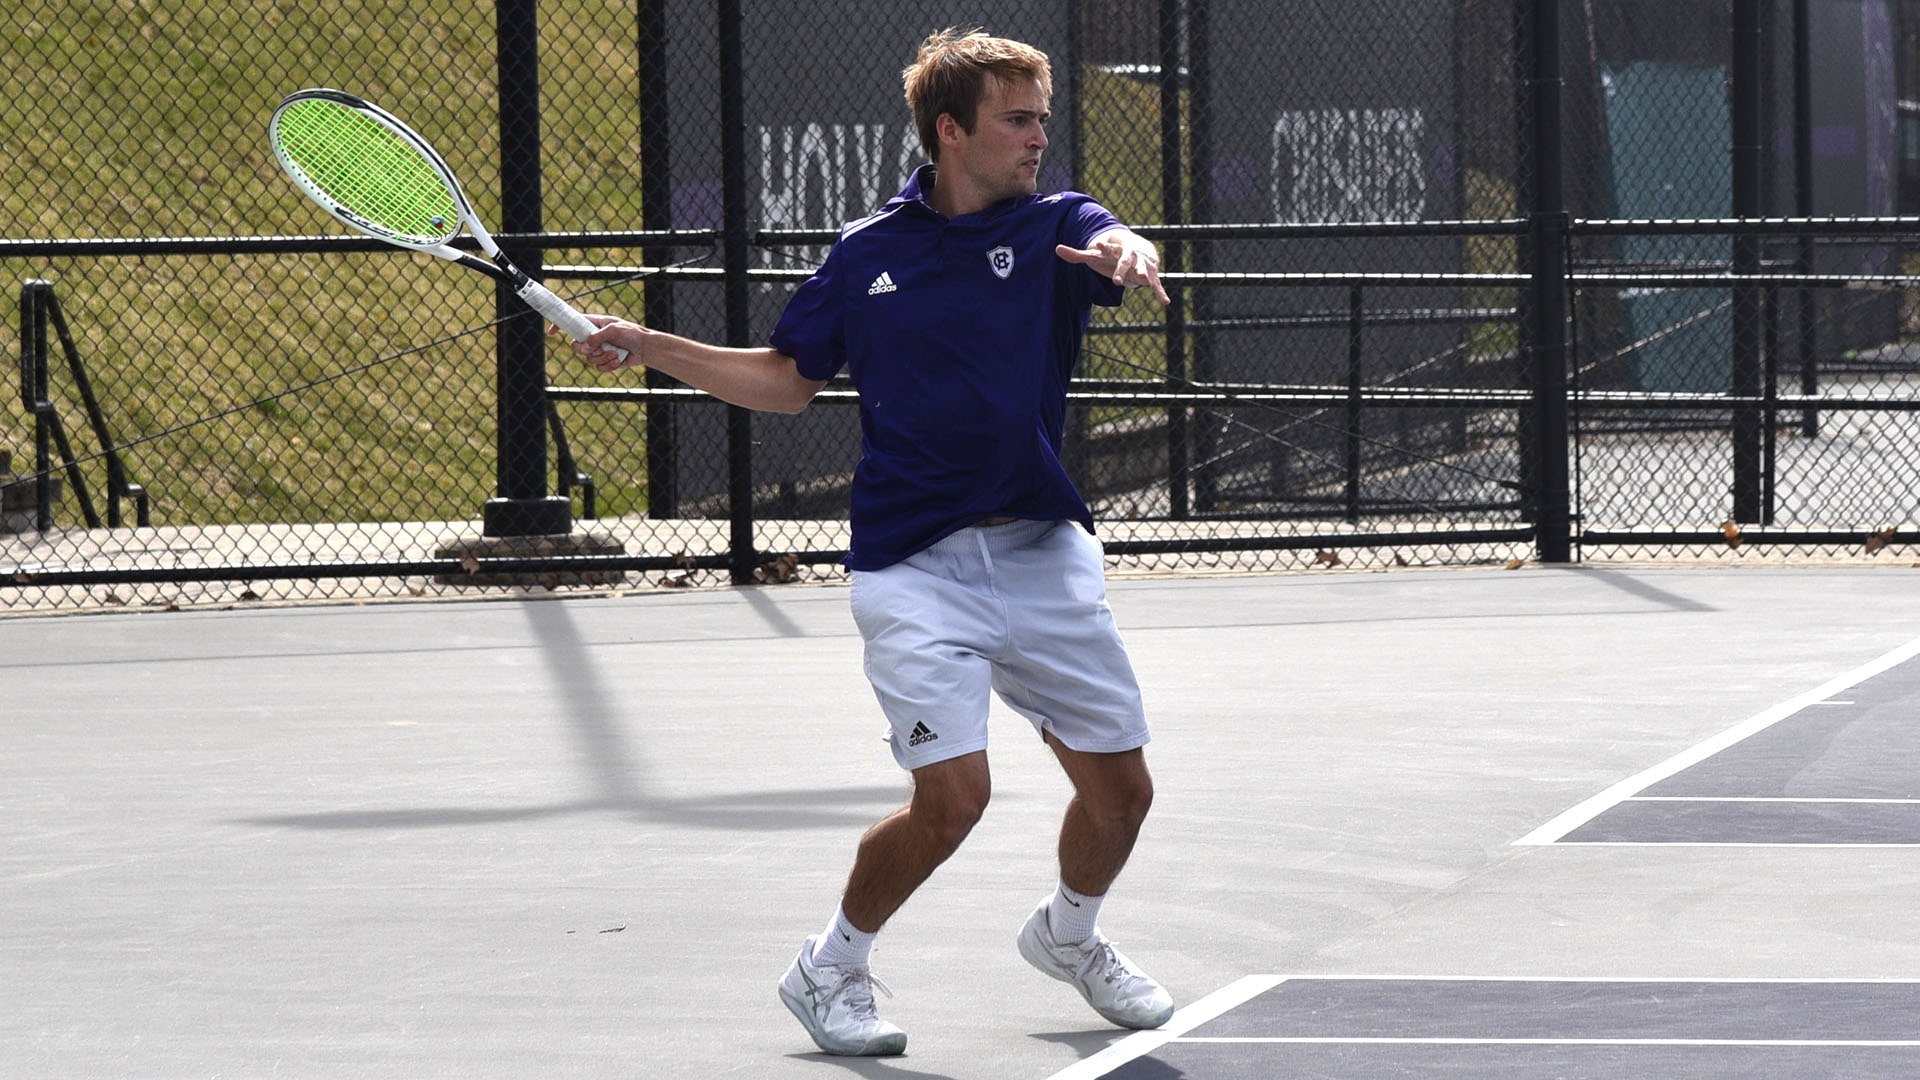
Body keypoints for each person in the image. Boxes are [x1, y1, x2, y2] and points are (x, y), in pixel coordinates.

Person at [568, 28, 1175, 1057]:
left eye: (1042, 119)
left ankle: (1070, 937)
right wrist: (652, 344)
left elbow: (1118, 239)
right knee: (954, 799)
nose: (1038, 139)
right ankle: (830, 967)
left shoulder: (1058, 228)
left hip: (1040, 548)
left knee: (1124, 795)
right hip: (912, 566)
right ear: (952, 130)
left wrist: (1128, 250)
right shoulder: (866, 256)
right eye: (1016, 120)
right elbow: (785, 378)